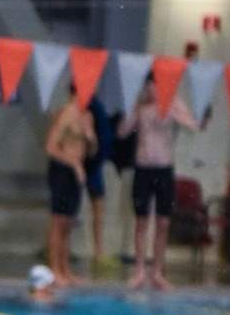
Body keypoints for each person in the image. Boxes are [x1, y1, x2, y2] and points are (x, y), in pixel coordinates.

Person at [117, 74, 200, 291]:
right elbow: (122, 132)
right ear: (145, 87)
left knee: (163, 223)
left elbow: (193, 127)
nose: (152, 90)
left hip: (164, 169)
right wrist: (132, 113)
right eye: (149, 86)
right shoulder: (141, 107)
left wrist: (175, 113)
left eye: (155, 86)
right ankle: (139, 271)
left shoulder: (175, 103)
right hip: (143, 168)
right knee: (141, 222)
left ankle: (157, 273)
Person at [42, 95, 96, 286]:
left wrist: (91, 138)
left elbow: (91, 151)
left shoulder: (88, 116)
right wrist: (73, 164)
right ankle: (54, 270)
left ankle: (65, 269)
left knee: (68, 222)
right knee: (58, 221)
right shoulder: (66, 114)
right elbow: (50, 147)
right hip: (62, 170)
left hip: (77, 171)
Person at [82, 89, 115, 270]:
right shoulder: (83, 108)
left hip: (91, 165)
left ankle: (98, 251)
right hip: (83, 165)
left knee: (97, 210)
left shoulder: (97, 108)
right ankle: (98, 251)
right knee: (64, 216)